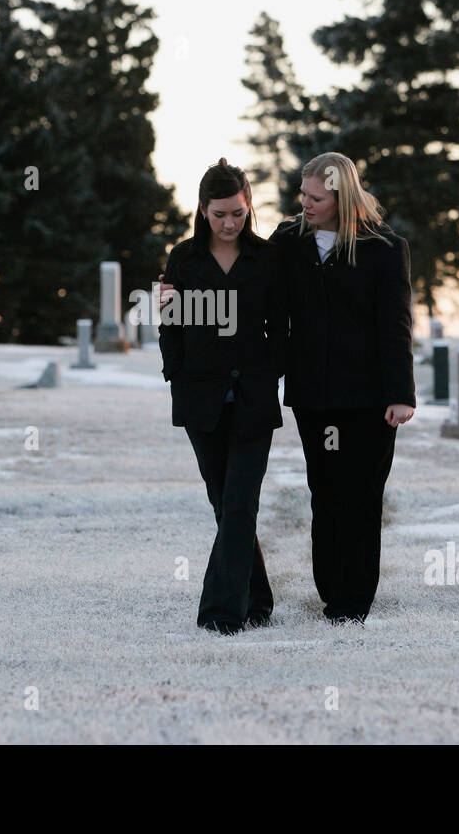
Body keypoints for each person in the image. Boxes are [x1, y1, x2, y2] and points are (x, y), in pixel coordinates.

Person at [268, 152, 416, 625]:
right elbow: (250, 281)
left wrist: (401, 393)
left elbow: (395, 325)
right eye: (303, 195)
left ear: (341, 196)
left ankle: (353, 601)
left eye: (315, 197)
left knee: (362, 494)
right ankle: (330, 590)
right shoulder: (288, 241)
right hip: (314, 395)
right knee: (325, 490)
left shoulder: (385, 248)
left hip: (371, 400)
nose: (305, 204)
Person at [158, 158, 287, 635]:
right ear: (202, 211)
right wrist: (178, 375)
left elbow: (281, 326)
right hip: (200, 401)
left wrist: (269, 370)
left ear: (249, 205)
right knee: (222, 502)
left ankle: (220, 613)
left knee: (240, 504)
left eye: (237, 212)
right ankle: (258, 599)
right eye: (220, 215)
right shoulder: (183, 258)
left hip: (253, 398)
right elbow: (170, 325)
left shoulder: (267, 258)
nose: (230, 223)